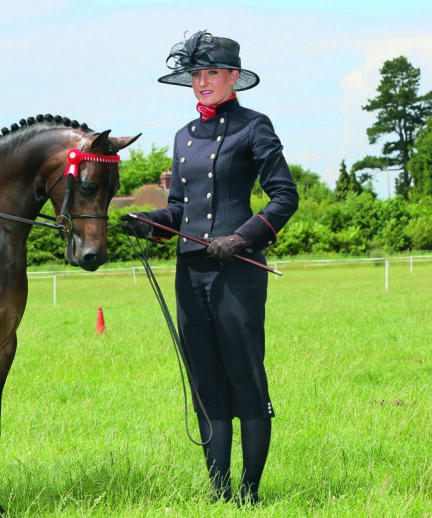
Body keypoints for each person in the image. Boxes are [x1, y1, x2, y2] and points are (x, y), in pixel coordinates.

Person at [122, 30, 298, 505]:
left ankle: (250, 492)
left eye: (211, 73)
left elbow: (285, 196)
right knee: (205, 379)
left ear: (233, 76)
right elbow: (180, 210)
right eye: (196, 75)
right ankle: (220, 495)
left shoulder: (254, 126)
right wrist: (150, 221)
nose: (202, 82)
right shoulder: (184, 137)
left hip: (238, 269)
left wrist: (242, 236)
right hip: (190, 272)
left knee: (244, 375)